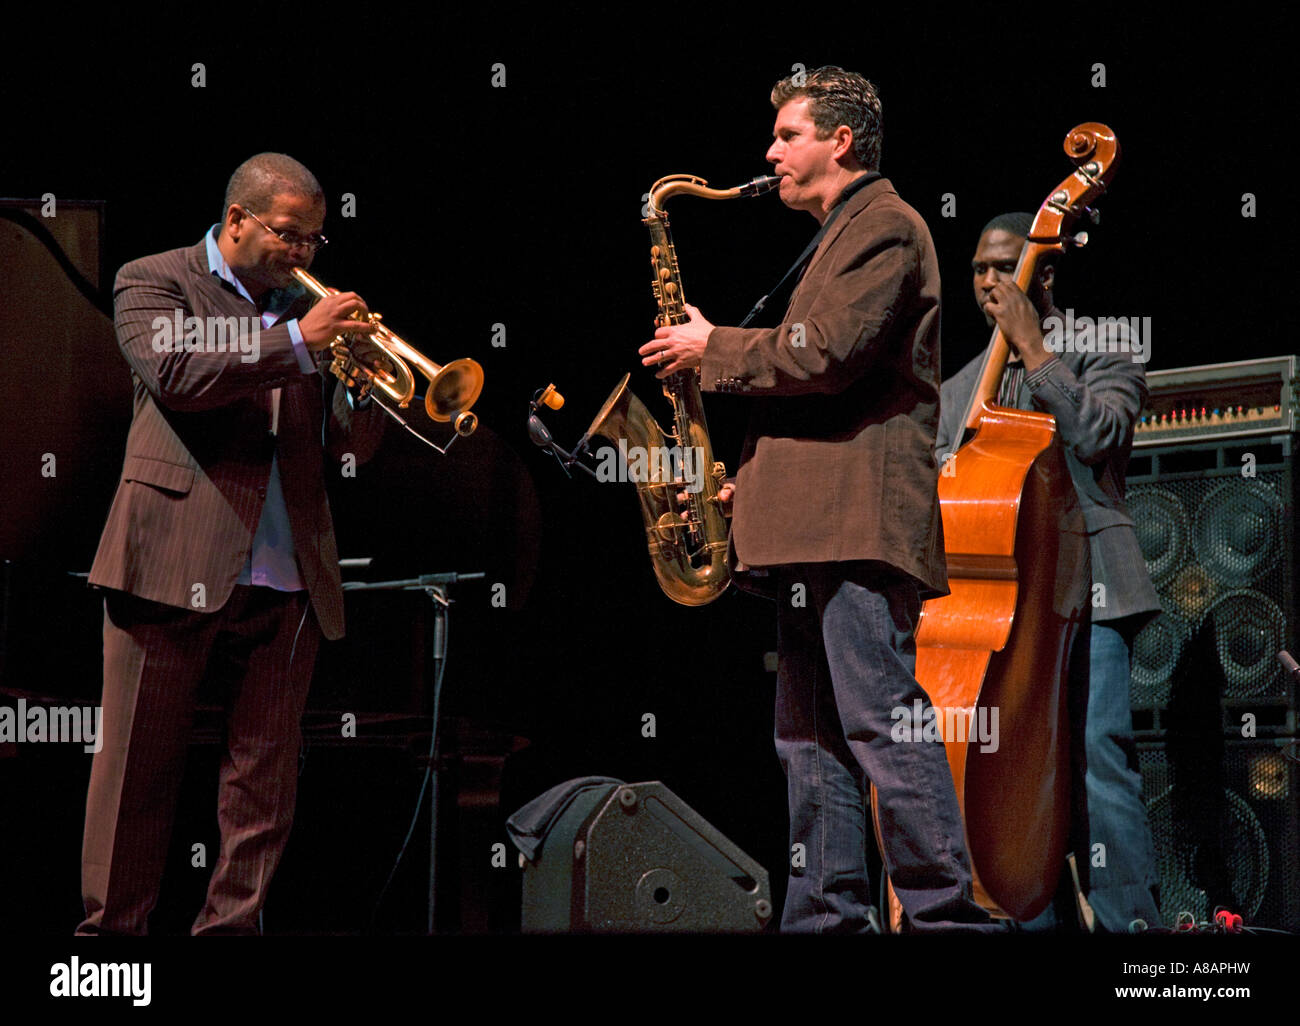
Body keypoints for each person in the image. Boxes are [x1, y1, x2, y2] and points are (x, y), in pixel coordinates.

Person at [639, 67, 994, 933]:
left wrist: (712, 343)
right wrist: (743, 485)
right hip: (809, 530)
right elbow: (823, 390)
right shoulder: (840, 233)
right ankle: (826, 918)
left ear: (840, 141)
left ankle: (950, 918)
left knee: (880, 724)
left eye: (787, 136)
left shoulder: (885, 226)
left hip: (856, 528)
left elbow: (824, 353)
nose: (769, 154)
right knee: (807, 742)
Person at [79, 153, 387, 935]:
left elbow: (349, 454)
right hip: (170, 557)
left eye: (315, 240)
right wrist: (299, 345)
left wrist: (364, 384)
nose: (302, 254)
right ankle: (112, 948)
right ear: (239, 220)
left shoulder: (304, 310)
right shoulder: (156, 279)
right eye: (289, 235)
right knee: (136, 783)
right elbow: (177, 374)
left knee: (262, 795)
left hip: (287, 576)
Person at [934, 212, 1163, 931]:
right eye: (978, 269)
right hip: (1001, 612)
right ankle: (1026, 916)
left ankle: (1135, 936)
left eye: (1005, 266)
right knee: (1011, 779)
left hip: (1092, 589)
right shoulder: (958, 392)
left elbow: (1098, 435)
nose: (990, 281)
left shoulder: (1106, 345)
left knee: (1099, 764)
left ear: (1044, 272)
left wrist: (1034, 347)